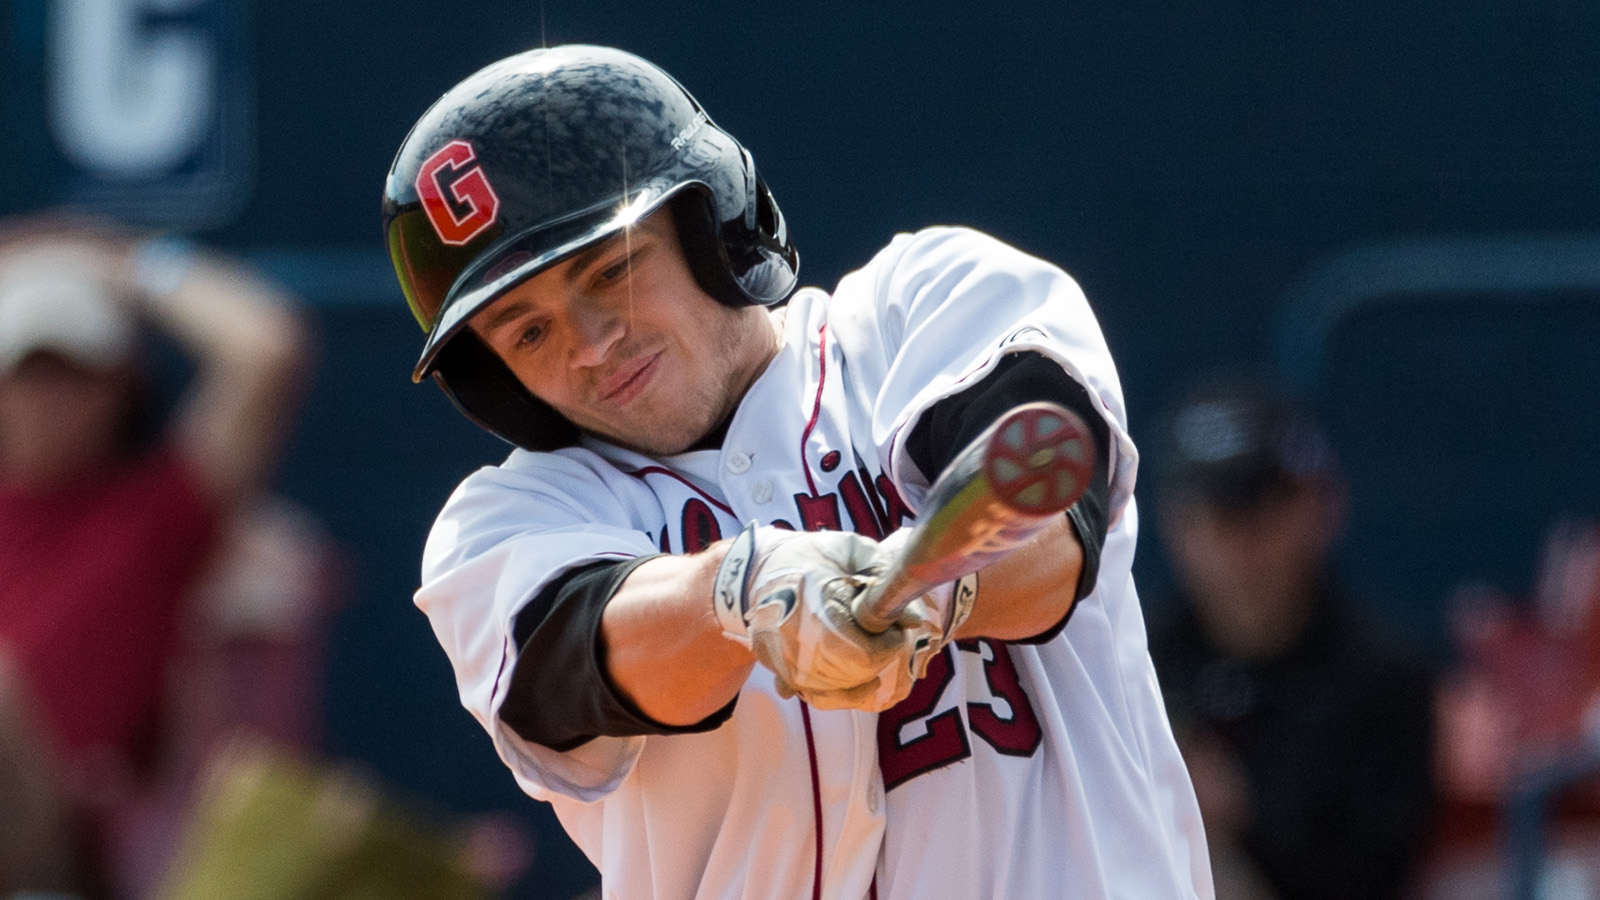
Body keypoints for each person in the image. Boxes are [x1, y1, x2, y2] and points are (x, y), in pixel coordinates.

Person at [384, 45, 1211, 899]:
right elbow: (589, 656)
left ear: (710, 226)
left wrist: (925, 592)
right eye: (527, 332)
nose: (590, 343)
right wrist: (744, 595)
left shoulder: (922, 306)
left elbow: (1051, 535)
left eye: (612, 270)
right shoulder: (505, 524)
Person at [0, 215, 309, 897]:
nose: (48, 400)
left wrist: (127, 262)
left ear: (121, 385)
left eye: (75, 372)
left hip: (80, 865)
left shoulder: (159, 513)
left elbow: (265, 347)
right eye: (27, 373)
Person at [1144, 375, 1436, 900]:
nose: (1241, 542)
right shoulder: (1133, 665)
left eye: (1263, 508)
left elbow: (1376, 875)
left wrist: (1234, 817)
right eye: (1215, 516)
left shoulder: (1384, 679)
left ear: (1320, 506)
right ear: (1173, 525)